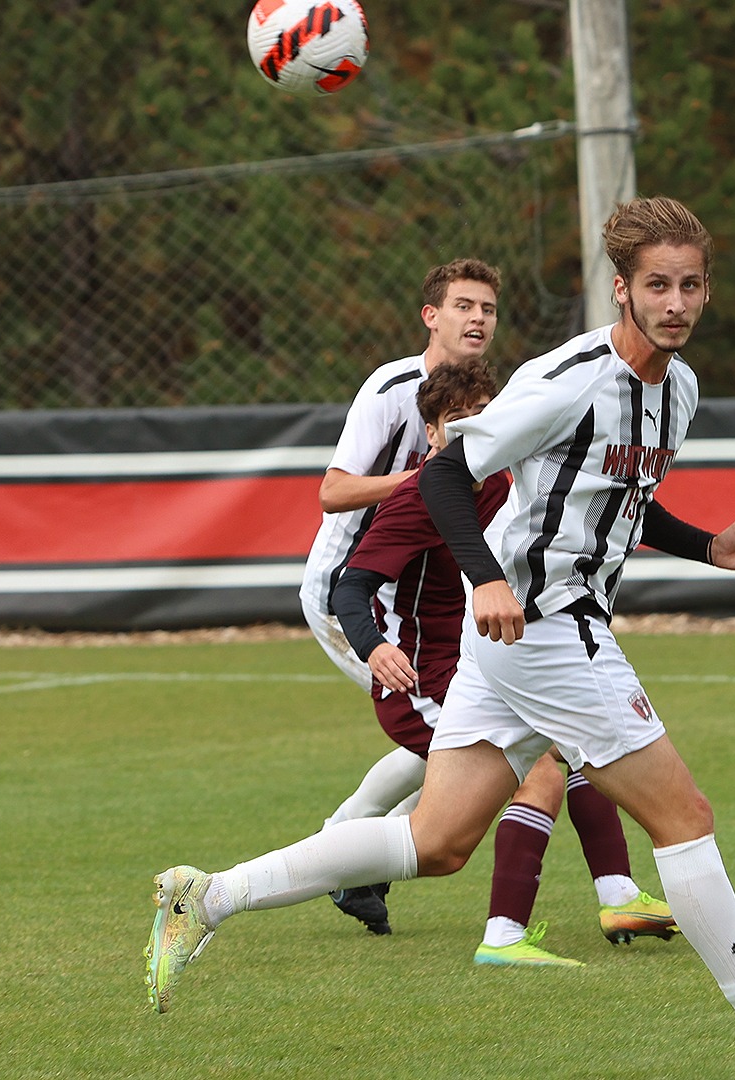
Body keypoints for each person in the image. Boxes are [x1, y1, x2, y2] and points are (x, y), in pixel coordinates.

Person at [147, 197, 735, 1078]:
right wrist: (490, 578)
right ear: (622, 290)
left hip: (525, 633)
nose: (677, 302)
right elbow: (445, 480)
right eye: (657, 285)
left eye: (691, 284)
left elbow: (616, 496)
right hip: (544, 626)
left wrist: (707, 547)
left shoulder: (679, 390)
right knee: (683, 816)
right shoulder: (570, 376)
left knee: (436, 841)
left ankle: (210, 895)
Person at [328, 360, 677, 965]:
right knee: (537, 768)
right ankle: (502, 935)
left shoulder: (509, 479)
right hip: (419, 675)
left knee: (565, 742)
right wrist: (375, 648)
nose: (472, 431)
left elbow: (618, 508)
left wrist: (707, 545)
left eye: (483, 418)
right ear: (432, 435)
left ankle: (616, 895)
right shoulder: (420, 494)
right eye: (455, 422)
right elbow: (349, 586)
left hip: (485, 660)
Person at [297, 258, 502, 935]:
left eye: (488, 308)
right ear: (431, 316)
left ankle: (349, 848)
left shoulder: (481, 400)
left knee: (449, 727)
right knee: (451, 731)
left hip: (424, 601)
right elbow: (332, 490)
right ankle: (345, 850)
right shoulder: (392, 388)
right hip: (354, 593)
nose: (477, 318)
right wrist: (428, 482)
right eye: (463, 305)